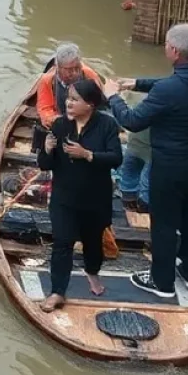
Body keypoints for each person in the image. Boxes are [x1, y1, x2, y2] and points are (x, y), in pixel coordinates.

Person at [105, 22, 188, 298]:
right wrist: (137, 82)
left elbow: (132, 121)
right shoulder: (174, 85)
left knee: (164, 222)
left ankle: (162, 281)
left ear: (174, 51)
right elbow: (176, 83)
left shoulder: (169, 91)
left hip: (171, 167)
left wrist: (113, 97)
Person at [36, 78, 122, 313]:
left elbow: (116, 159)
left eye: (75, 99)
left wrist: (87, 154)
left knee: (93, 242)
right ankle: (57, 291)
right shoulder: (60, 126)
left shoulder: (106, 125)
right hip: (64, 198)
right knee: (62, 243)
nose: (68, 103)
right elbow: (45, 165)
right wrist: (47, 150)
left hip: (95, 199)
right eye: (68, 98)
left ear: (90, 104)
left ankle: (92, 272)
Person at [33, 43, 102, 151]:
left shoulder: (88, 74)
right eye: (69, 70)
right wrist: (58, 120)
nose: (74, 73)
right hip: (62, 120)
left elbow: (99, 102)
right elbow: (45, 109)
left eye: (77, 68)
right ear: (58, 67)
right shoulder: (47, 81)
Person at [119, 127, 151, 214]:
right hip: (139, 146)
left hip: (141, 147)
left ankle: (141, 214)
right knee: (145, 188)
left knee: (143, 187)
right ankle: (141, 214)